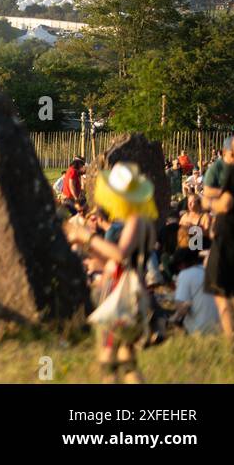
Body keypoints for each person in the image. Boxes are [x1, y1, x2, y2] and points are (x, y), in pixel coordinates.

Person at [64, 162, 157, 382]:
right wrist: (95, 256)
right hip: (131, 290)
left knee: (108, 361)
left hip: (120, 293)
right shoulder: (143, 221)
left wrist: (85, 237)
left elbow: (120, 255)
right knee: (127, 361)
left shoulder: (135, 220)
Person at [205, 129, 234, 339]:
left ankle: (232, 339)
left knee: (220, 291)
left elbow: (226, 203)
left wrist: (211, 203)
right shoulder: (219, 168)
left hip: (228, 233)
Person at [171, 248, 221, 336]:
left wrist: (172, 319)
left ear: (181, 265)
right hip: (220, 328)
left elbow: (182, 310)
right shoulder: (210, 271)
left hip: (200, 330)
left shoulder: (184, 274)